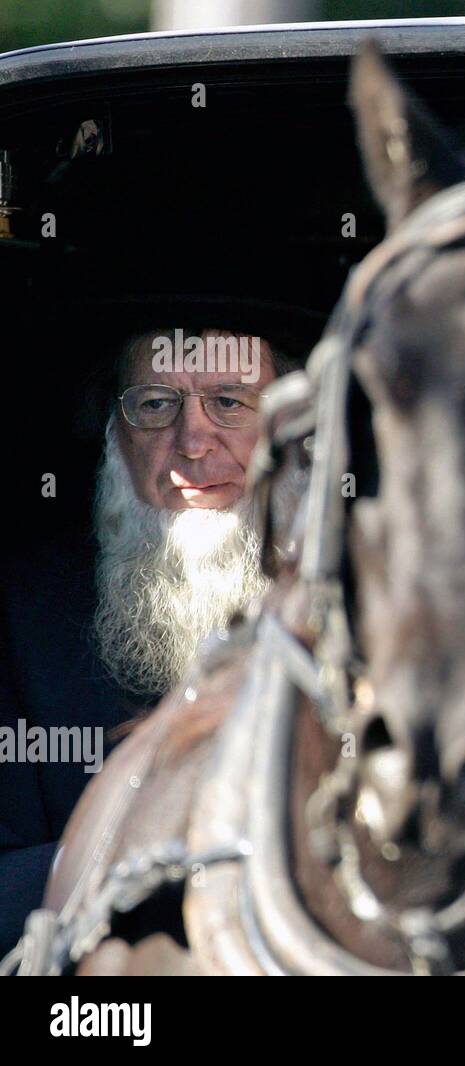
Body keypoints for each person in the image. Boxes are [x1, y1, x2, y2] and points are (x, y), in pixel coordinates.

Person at [0, 322, 295, 953]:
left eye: (230, 402)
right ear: (114, 433)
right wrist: (171, 844)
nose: (193, 442)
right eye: (156, 404)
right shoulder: (22, 617)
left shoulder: (376, 610)